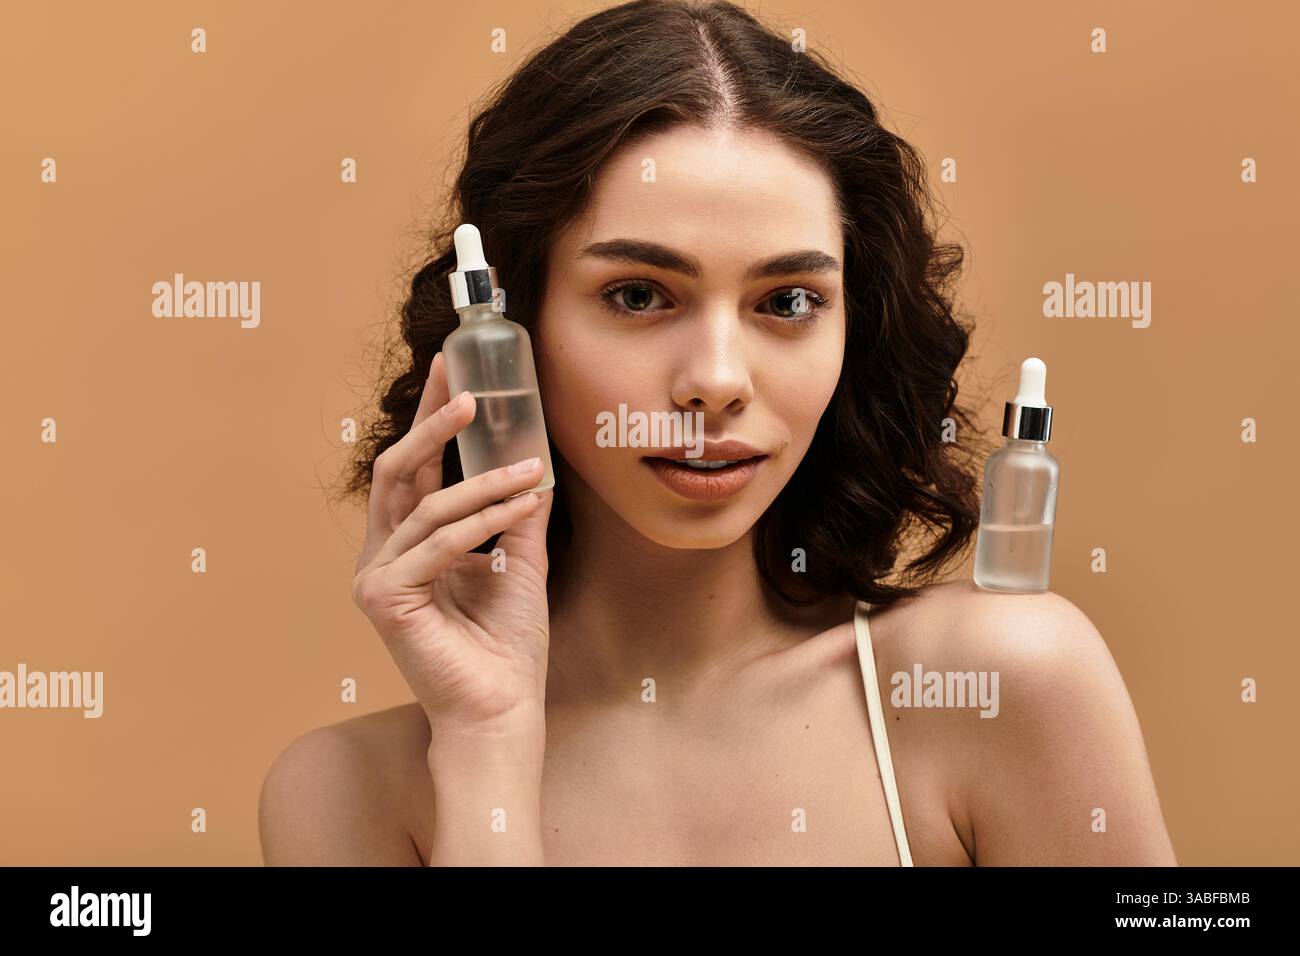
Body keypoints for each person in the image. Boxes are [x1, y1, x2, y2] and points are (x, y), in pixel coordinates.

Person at [258, 0, 1176, 866]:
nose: (718, 381)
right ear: (506, 329)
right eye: (638, 295)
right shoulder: (348, 796)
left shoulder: (1003, 684)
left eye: (788, 302)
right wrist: (489, 739)